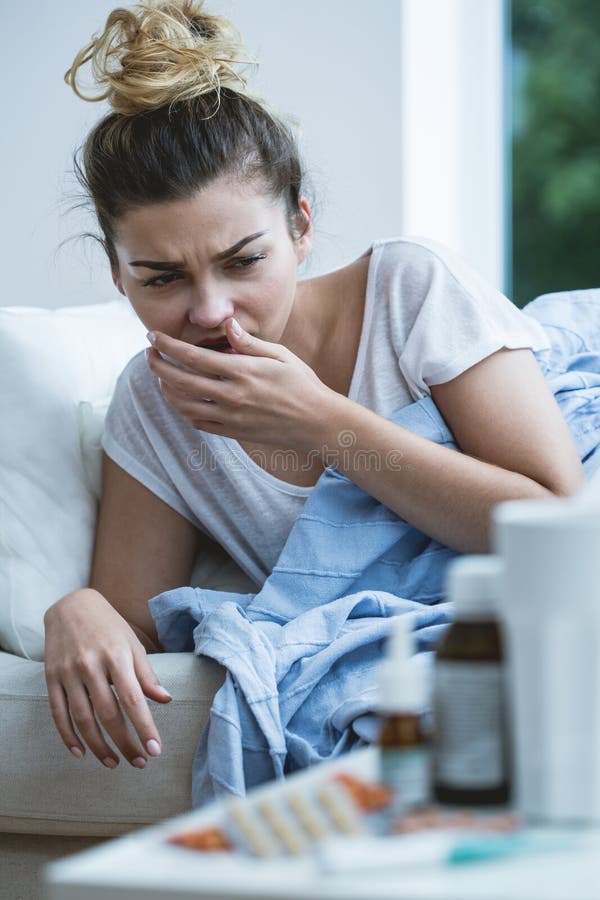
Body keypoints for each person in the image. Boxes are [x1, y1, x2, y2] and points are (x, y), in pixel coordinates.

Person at [43, 0, 584, 777]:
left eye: (243, 262)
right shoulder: (155, 403)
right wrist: (76, 609)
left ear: (301, 227)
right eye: (161, 278)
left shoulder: (408, 292)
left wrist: (323, 423)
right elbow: (135, 624)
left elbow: (557, 524)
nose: (210, 311)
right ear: (116, 274)